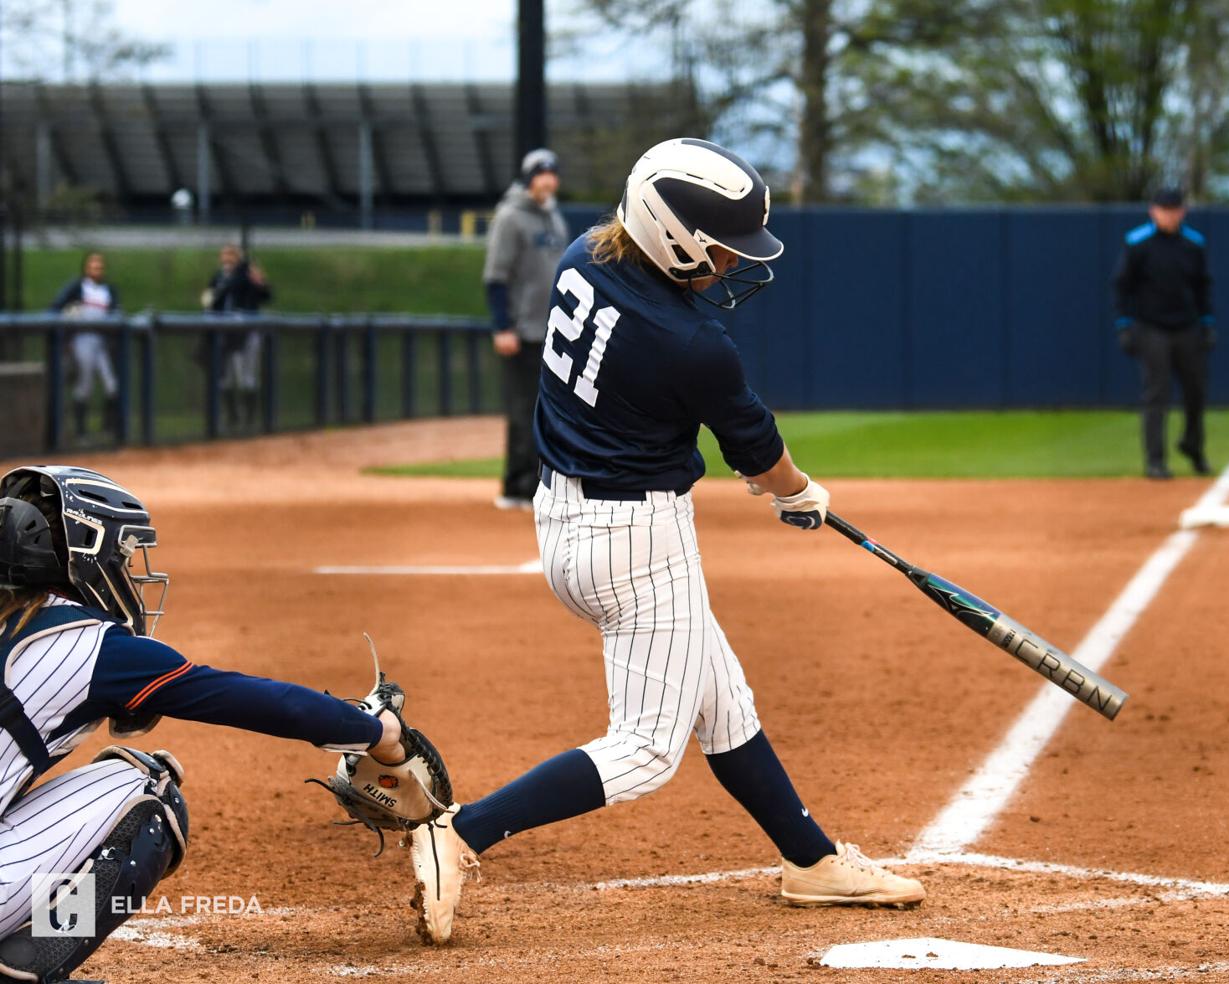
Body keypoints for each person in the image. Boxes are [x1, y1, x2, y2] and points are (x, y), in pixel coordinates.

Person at [407, 138, 924, 946]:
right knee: (646, 750)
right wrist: (798, 494)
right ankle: (461, 832)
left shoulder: (583, 254)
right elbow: (757, 450)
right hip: (639, 543)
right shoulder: (693, 343)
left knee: (722, 697)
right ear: (673, 235)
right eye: (720, 248)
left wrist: (773, 482)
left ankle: (811, 861)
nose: (731, 264)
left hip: (565, 524)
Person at [0, 465, 445, 981]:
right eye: (120, 556)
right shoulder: (93, 648)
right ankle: (28, 965)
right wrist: (377, 731)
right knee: (150, 791)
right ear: (84, 554)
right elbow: (256, 701)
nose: (126, 570)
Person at [482, 148, 570, 511]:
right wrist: (502, 326)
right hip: (521, 331)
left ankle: (539, 483)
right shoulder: (510, 217)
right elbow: (496, 277)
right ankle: (516, 486)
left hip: (552, 330)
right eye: (540, 173)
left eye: (551, 173)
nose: (547, 179)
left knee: (548, 411)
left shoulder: (554, 218)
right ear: (528, 177)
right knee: (523, 409)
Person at [1112, 187, 1215, 479]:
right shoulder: (1138, 243)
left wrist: (1207, 323)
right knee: (1156, 394)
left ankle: (1193, 447)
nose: (1169, 215)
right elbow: (1121, 287)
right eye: (1163, 209)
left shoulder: (1193, 244)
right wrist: (1124, 325)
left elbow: (1203, 287)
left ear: (1182, 211)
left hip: (1188, 327)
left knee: (1196, 392)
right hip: (1152, 328)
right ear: (1152, 211)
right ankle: (1155, 460)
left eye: (1174, 209)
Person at [48, 252, 121, 441]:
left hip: (100, 341)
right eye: (93, 265)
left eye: (99, 265)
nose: (97, 268)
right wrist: (68, 316)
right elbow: (55, 307)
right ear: (86, 267)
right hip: (81, 339)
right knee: (84, 385)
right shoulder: (78, 287)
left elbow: (116, 313)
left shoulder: (108, 290)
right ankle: (81, 433)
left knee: (111, 385)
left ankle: (108, 430)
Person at [203, 245, 273, 432]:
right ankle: (232, 416)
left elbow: (265, 295)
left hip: (246, 330)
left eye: (231, 256)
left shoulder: (246, 276)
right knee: (224, 376)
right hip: (224, 332)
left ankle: (250, 418)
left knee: (246, 376)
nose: (227, 260)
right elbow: (208, 300)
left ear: (238, 258)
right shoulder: (219, 277)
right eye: (224, 256)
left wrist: (261, 282)